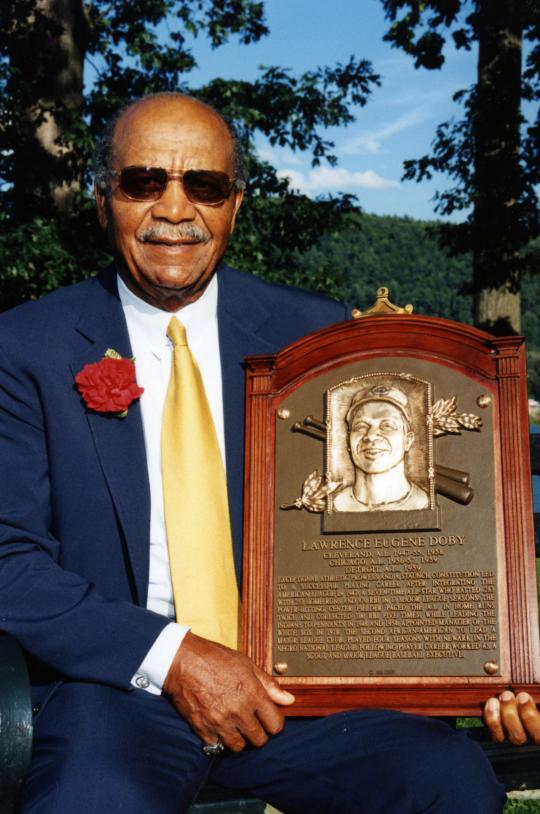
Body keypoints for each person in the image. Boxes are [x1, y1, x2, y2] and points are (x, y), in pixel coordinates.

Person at [0, 91, 532, 814]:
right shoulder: (25, 346)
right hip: (119, 693)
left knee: (449, 782)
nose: (175, 210)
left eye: (206, 186)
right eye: (143, 182)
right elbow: (10, 561)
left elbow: (401, 533)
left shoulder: (312, 335)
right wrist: (177, 657)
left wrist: (488, 670)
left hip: (301, 695)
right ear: (103, 201)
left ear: (236, 205)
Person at [333, 383, 429, 512]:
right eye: (361, 426)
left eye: (387, 426)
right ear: (348, 441)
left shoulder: (422, 503)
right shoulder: (335, 504)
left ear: (408, 440)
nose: (371, 436)